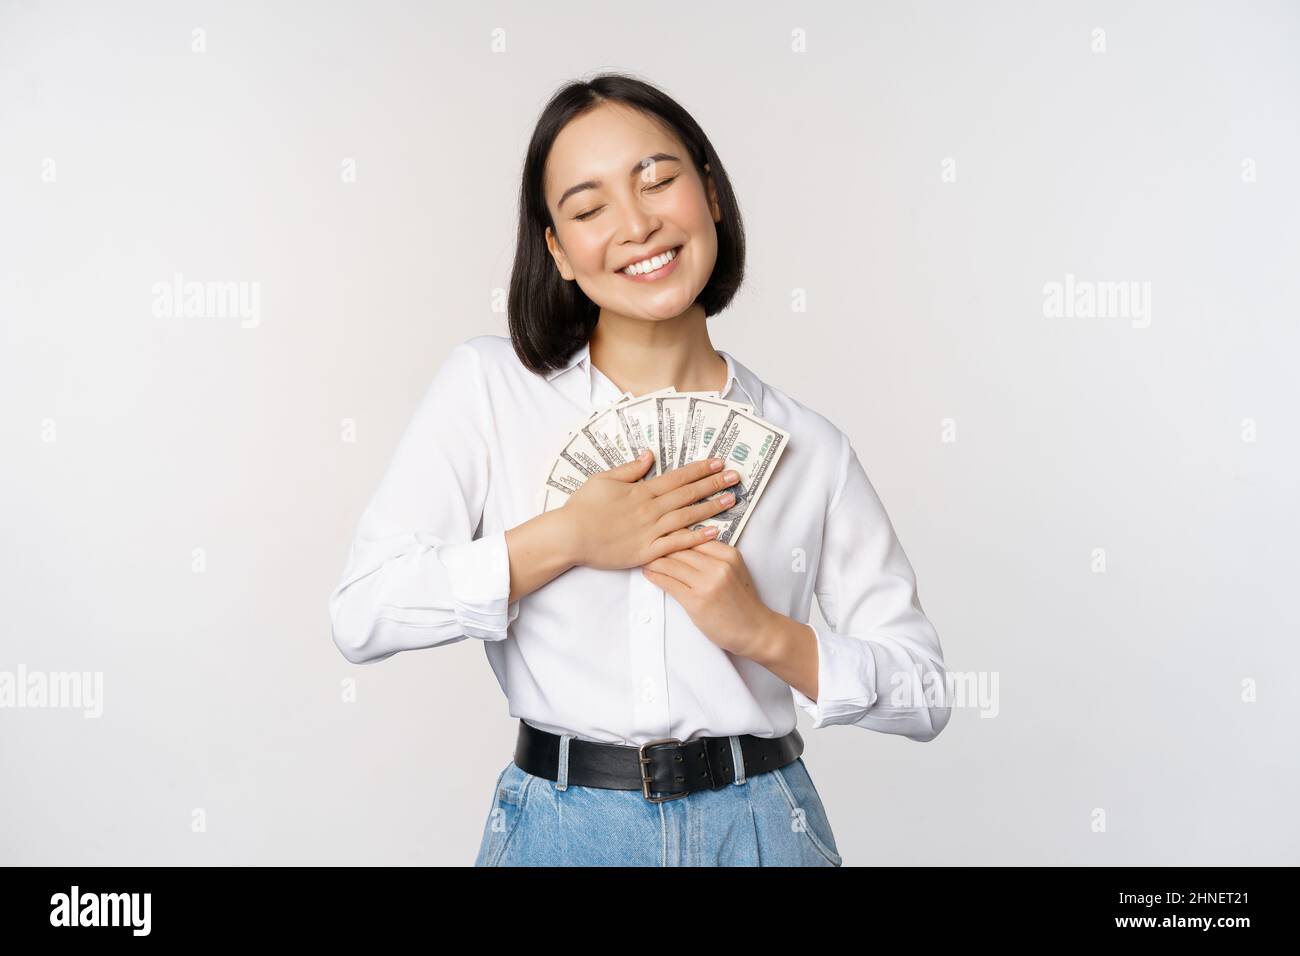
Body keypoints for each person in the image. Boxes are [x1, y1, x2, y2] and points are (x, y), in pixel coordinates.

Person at [328, 73, 951, 867]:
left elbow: (926, 694)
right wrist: (567, 537)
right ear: (557, 249)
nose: (637, 224)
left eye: (658, 180)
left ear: (712, 194)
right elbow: (362, 613)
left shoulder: (807, 445)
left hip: (762, 825)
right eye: (589, 210)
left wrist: (765, 634)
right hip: (559, 829)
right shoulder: (489, 390)